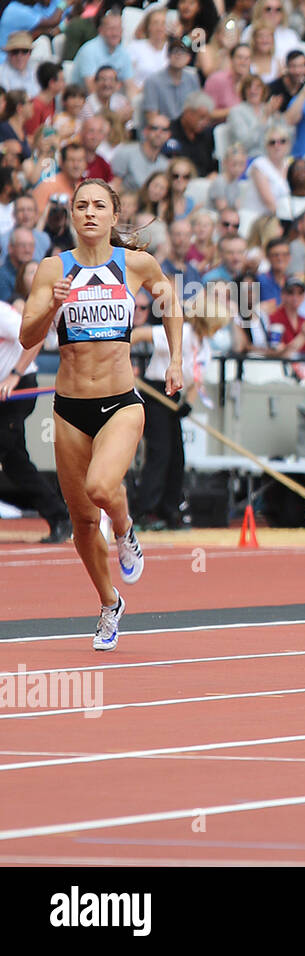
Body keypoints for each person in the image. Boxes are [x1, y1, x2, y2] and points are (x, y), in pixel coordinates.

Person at [19, 178, 183, 650]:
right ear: (72, 216)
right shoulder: (53, 269)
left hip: (121, 401)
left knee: (100, 488)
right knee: (84, 522)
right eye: (80, 206)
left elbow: (169, 300)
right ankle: (110, 604)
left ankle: (127, 530)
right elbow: (29, 338)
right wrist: (51, 307)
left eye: (98, 206)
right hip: (70, 409)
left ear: (114, 215)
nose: (89, 212)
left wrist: (175, 359)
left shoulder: (135, 263)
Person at [130, 294, 223, 530]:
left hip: (173, 396)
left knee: (177, 457)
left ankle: (168, 510)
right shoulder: (181, 334)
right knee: (159, 453)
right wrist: (120, 358)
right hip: (154, 393)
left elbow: (196, 381)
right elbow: (140, 334)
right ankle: (145, 511)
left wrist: (188, 404)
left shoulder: (204, 348)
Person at [0, 296, 71, 543]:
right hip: (2, 394)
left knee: (8, 451)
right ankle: (59, 516)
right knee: (15, 462)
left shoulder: (3, 315)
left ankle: (60, 516)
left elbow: (37, 336)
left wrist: (14, 374)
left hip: (18, 390)